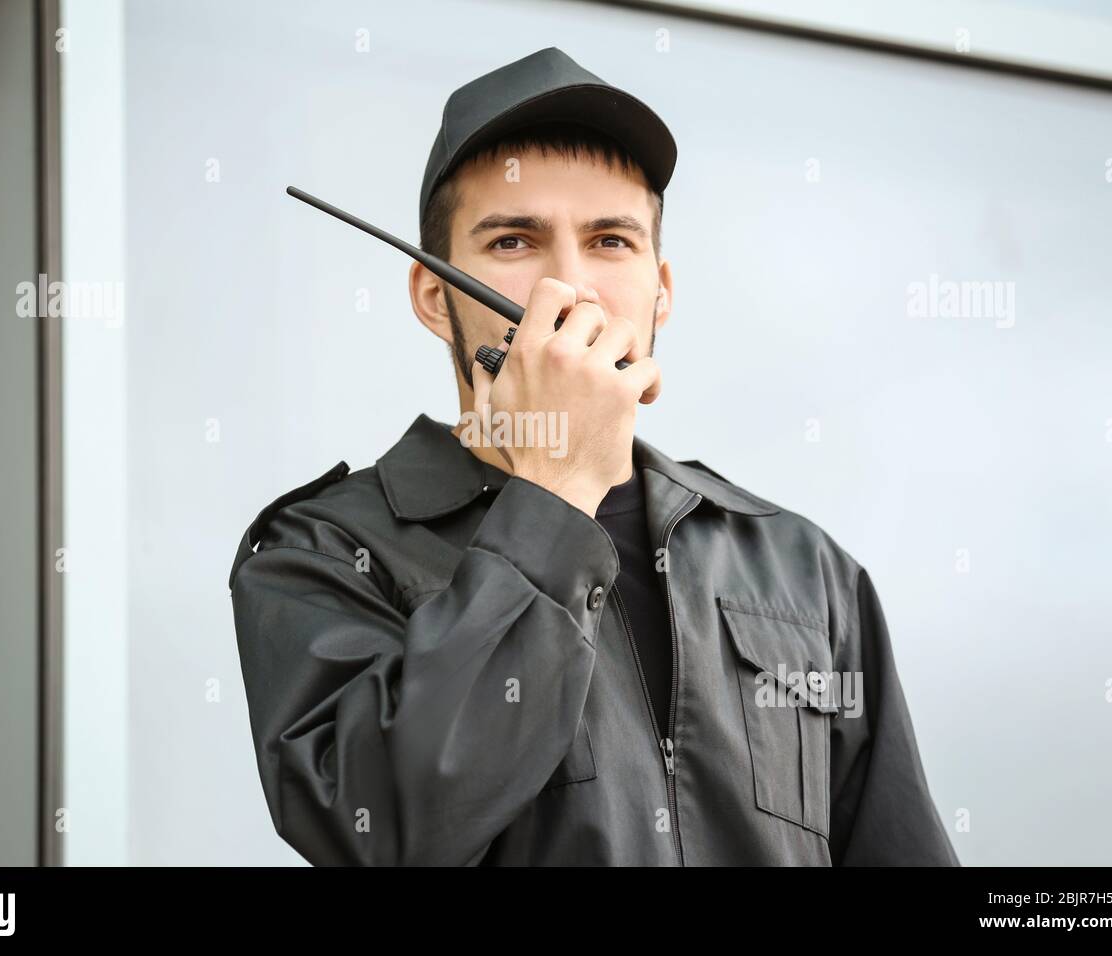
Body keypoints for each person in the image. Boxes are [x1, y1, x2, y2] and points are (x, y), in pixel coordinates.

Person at [229, 46, 960, 866]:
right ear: (434, 298)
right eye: (513, 242)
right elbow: (392, 833)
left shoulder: (802, 571)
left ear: (662, 291)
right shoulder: (321, 554)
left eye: (611, 241)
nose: (568, 288)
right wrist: (558, 484)